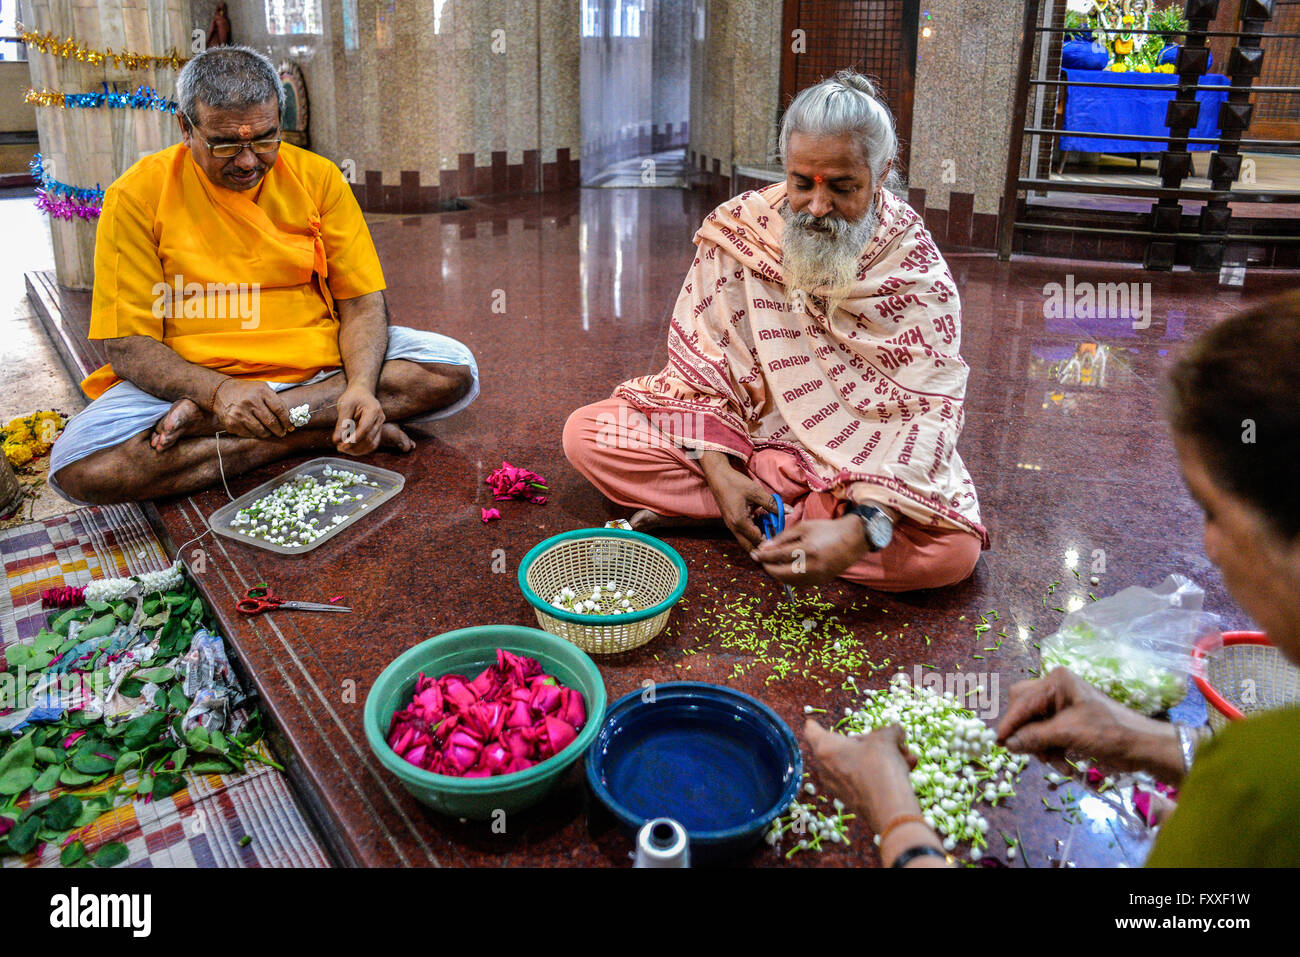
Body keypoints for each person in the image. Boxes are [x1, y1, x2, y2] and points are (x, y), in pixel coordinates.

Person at [805, 289, 1300, 867]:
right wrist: (1143, 741)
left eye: (1213, 510)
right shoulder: (1258, 767)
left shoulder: (1258, 789)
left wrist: (896, 814)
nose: (1209, 545)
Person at [563, 71, 985, 592]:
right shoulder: (743, 229)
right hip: (747, 438)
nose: (817, 207)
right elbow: (704, 369)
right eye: (802, 182)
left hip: (855, 460)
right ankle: (768, 513)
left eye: (843, 187)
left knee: (949, 553)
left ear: (882, 174)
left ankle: (781, 523)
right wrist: (720, 470)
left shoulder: (916, 272)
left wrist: (860, 529)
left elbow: (924, 417)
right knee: (590, 434)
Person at [50, 46, 478, 504]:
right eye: (226, 144)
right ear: (185, 128)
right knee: (81, 468)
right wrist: (219, 392)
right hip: (197, 377)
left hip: (319, 369)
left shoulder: (318, 177)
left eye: (265, 139)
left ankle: (226, 433)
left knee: (450, 369)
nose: (249, 161)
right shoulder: (135, 197)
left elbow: (361, 301)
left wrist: (357, 386)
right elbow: (128, 345)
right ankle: (310, 435)